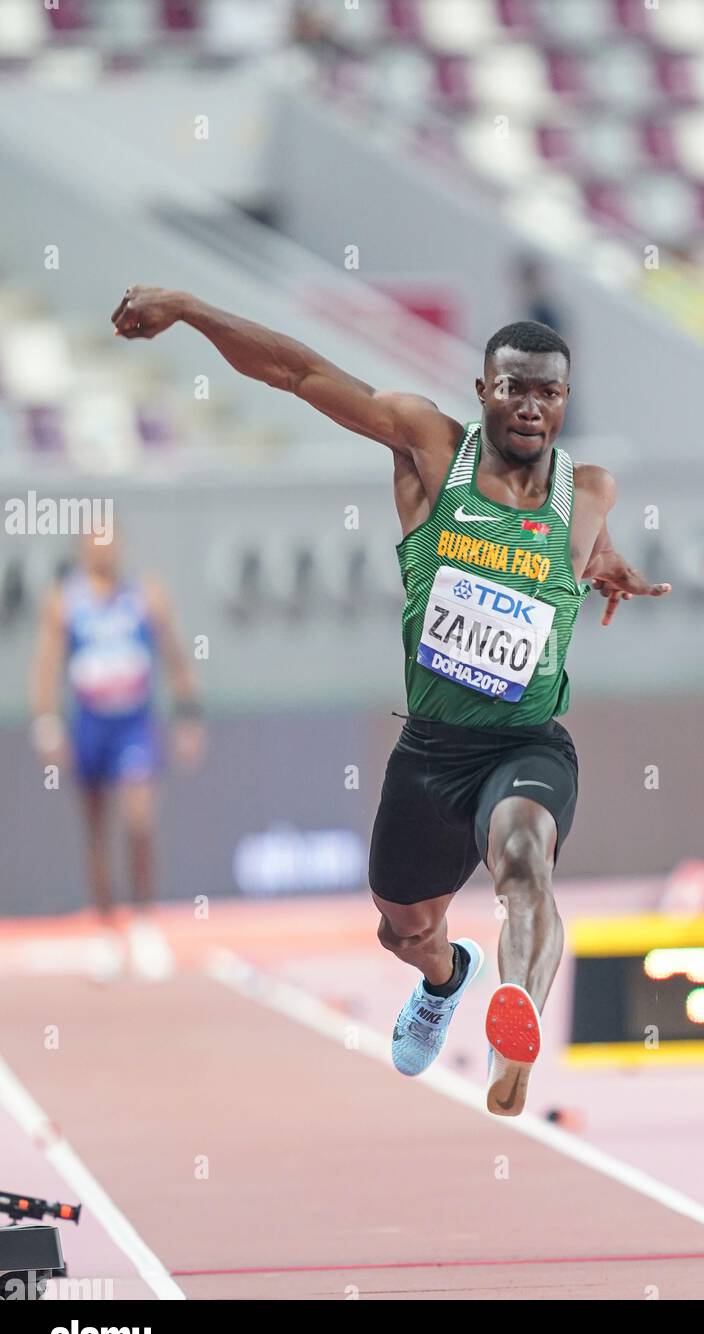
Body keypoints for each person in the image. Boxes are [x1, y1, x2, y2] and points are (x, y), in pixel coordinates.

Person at [110, 286, 670, 1114]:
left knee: (524, 860)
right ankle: (446, 978)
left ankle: (514, 1024)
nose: (529, 405)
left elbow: (584, 532)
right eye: (512, 387)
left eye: (546, 392)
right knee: (403, 925)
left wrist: (603, 559)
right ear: (483, 392)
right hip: (431, 752)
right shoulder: (427, 448)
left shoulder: (588, 492)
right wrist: (191, 309)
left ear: (563, 400)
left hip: (525, 746)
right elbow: (298, 373)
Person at [30, 531, 205, 981]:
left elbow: (174, 654)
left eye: (111, 540)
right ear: (83, 549)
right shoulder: (66, 601)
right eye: (95, 541)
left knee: (139, 821)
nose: (104, 550)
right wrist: (47, 721)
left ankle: (144, 923)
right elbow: (47, 663)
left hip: (134, 725)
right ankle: (106, 930)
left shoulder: (145, 595)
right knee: (96, 828)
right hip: (91, 726)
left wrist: (187, 712)